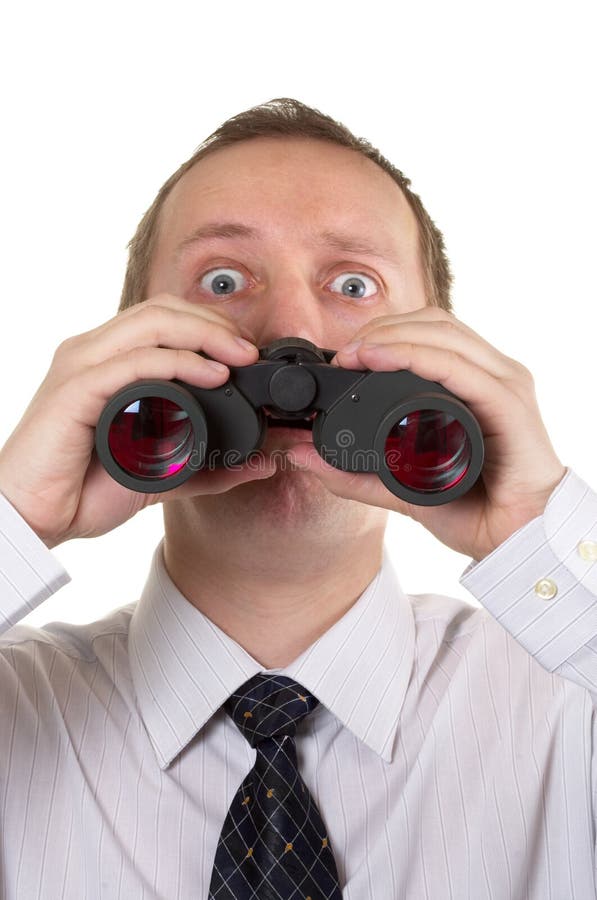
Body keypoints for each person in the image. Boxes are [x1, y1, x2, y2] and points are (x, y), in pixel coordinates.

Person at [0, 97, 595, 900]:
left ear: (440, 351)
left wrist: (539, 532)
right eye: (221, 279)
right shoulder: (19, 708)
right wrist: (15, 511)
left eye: (353, 282)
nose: (290, 328)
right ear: (130, 344)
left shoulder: (565, 706)